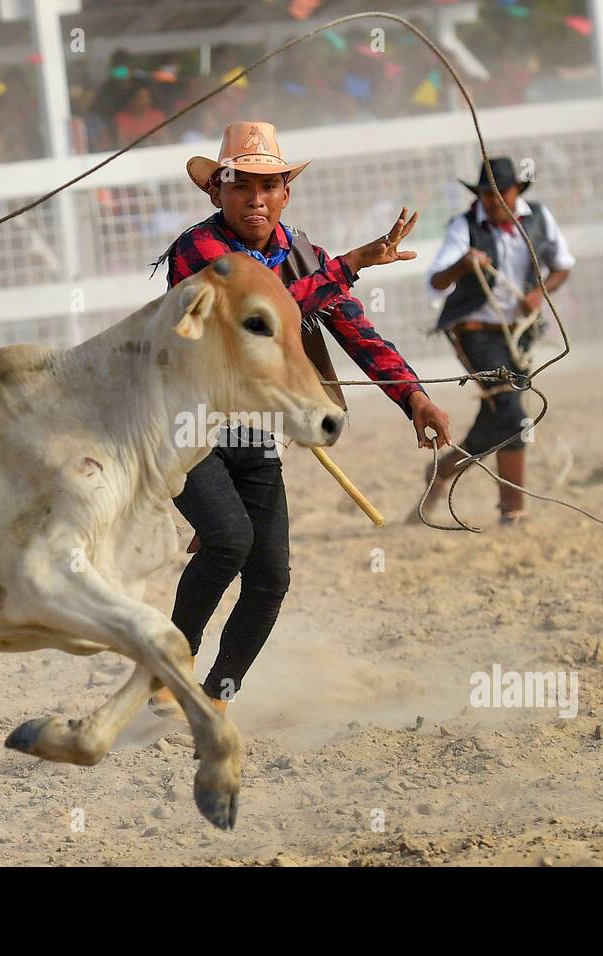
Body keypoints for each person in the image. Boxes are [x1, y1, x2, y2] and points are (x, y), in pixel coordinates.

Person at [147, 121, 451, 716]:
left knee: (270, 578)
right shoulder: (198, 250)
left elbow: (357, 333)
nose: (254, 198)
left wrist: (413, 398)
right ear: (217, 194)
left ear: (286, 192)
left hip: (255, 428)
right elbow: (256, 316)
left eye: (269, 185)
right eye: (241, 186)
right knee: (230, 540)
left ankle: (216, 698)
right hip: (188, 424)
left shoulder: (306, 256)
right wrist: (352, 262)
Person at [420, 157, 576, 525]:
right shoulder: (464, 226)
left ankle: (443, 472)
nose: (491, 201)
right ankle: (513, 511)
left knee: (497, 418)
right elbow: (436, 282)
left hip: (517, 334)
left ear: (515, 192)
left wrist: (538, 293)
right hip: (474, 331)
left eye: (498, 193)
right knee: (513, 416)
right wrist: (463, 264)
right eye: (486, 194)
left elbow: (564, 264)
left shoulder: (539, 218)